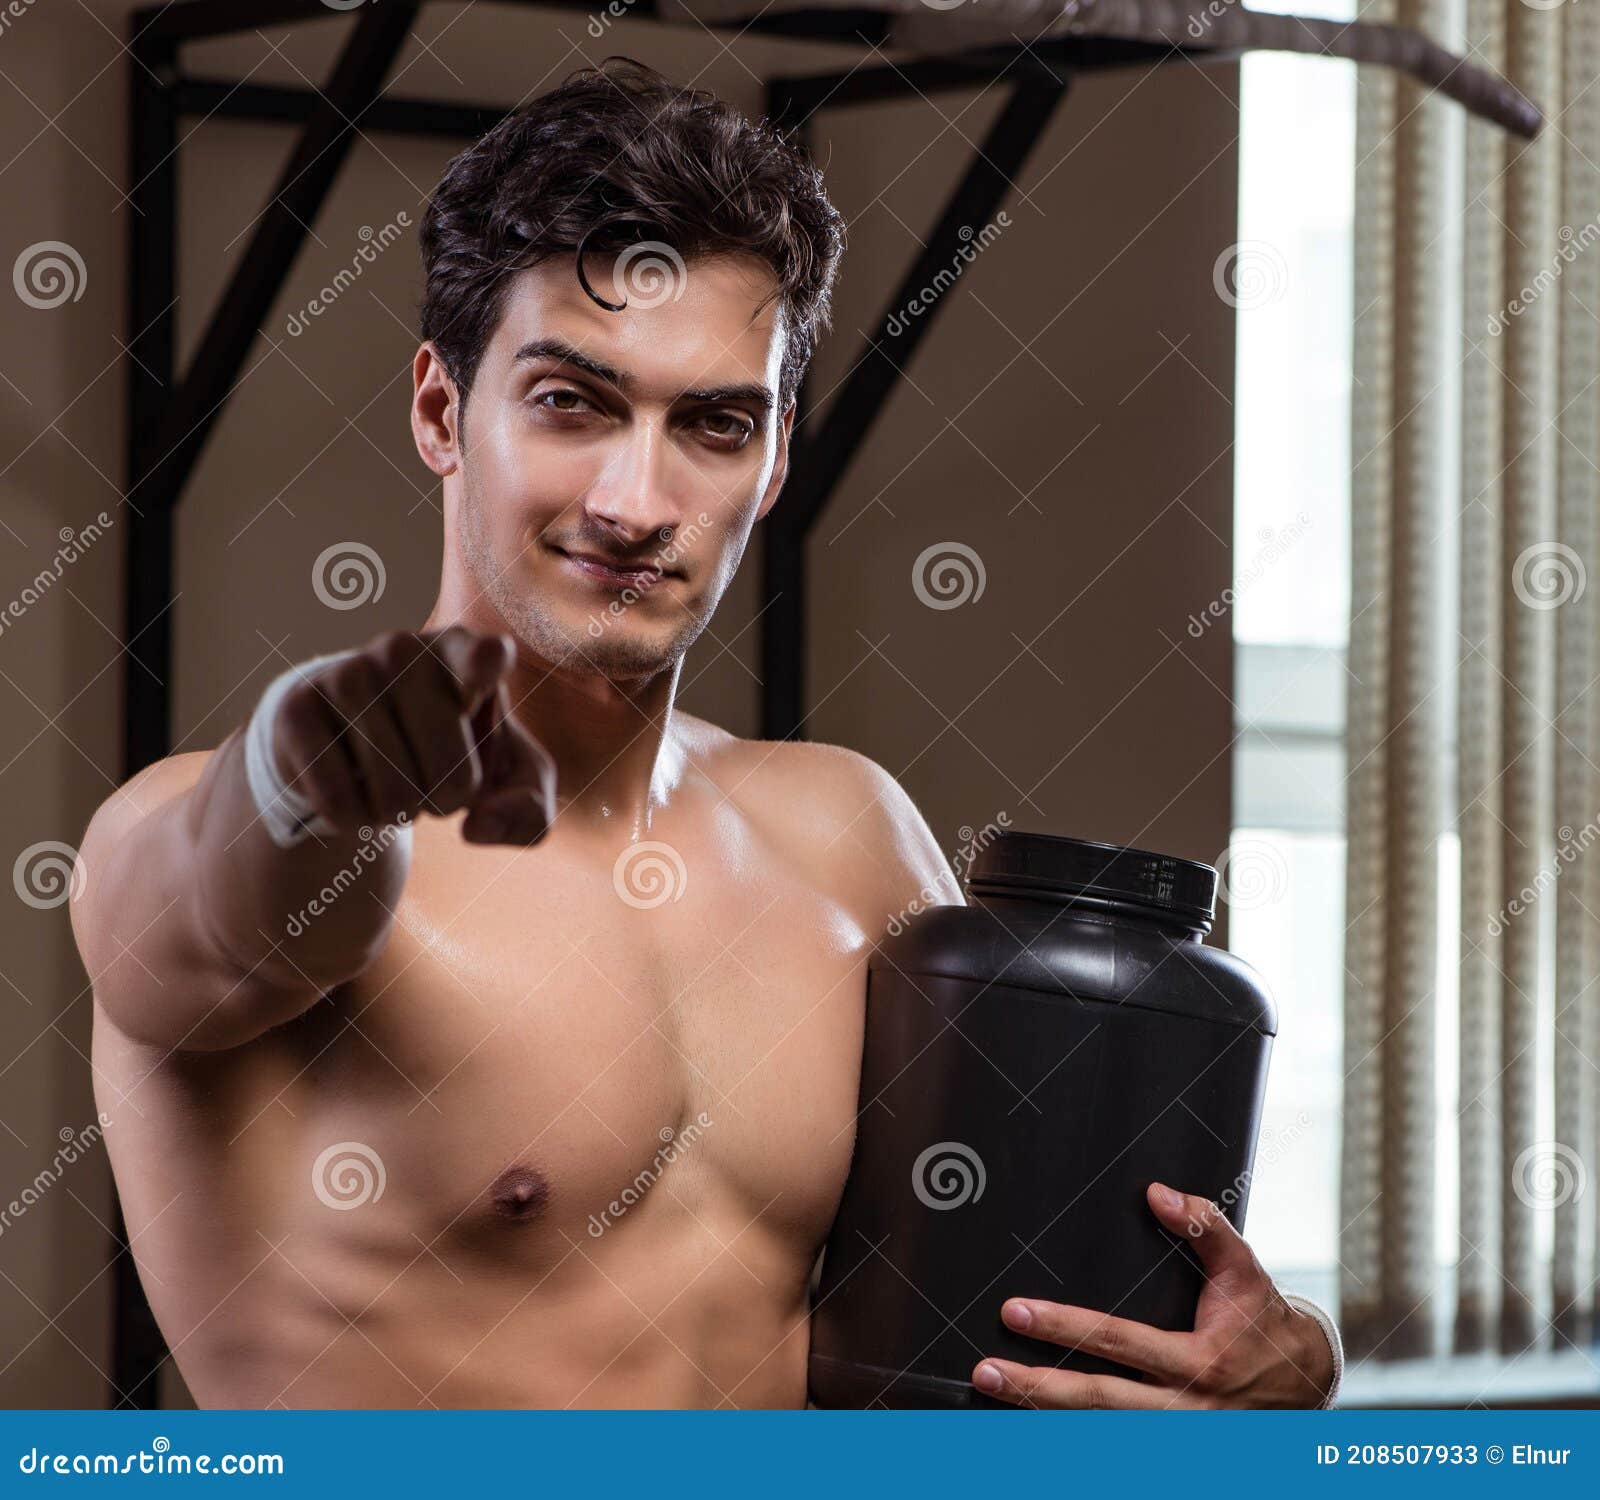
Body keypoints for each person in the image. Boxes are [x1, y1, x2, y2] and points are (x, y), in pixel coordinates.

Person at [72, 59, 1338, 1411]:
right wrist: (299, 778)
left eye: (714, 425)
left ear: (776, 458)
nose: (637, 500)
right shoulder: (185, 833)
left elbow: (1017, 1294)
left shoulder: (844, 833)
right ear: (444, 412)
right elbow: (231, 908)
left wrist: (1271, 1358)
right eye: (573, 403)